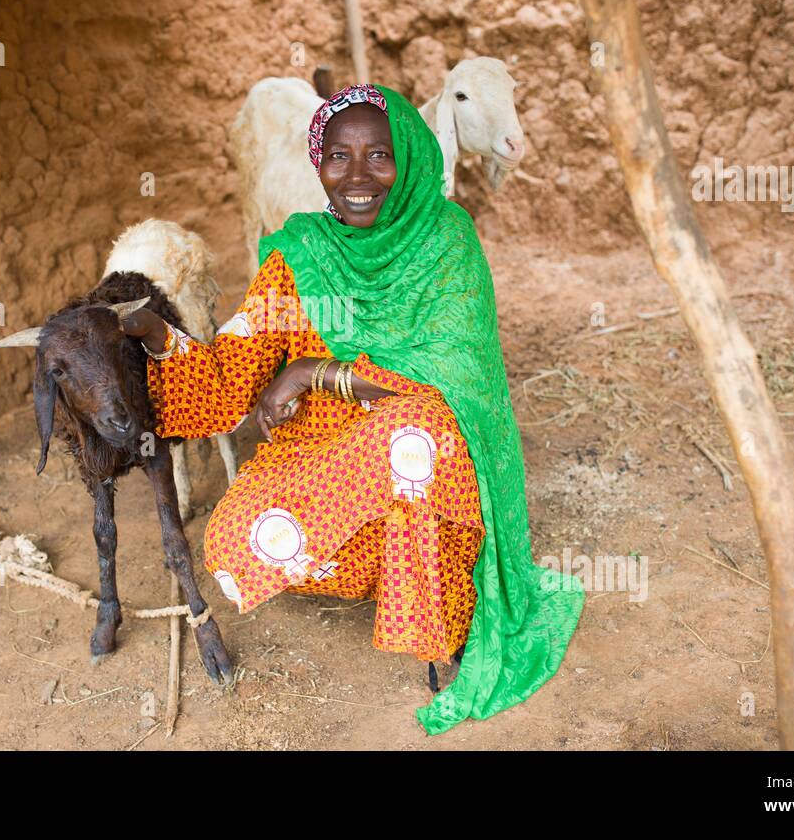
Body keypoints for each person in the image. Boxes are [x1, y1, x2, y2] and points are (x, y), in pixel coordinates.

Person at [120, 83, 583, 734]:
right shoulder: (301, 251)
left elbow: (449, 378)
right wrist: (157, 337)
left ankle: (436, 625)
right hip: (327, 458)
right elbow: (233, 369)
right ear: (320, 164)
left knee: (414, 440)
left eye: (380, 156)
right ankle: (373, 567)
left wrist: (314, 371)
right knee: (229, 545)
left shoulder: (447, 240)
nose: (358, 177)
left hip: (427, 456)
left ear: (413, 159)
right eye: (339, 157)